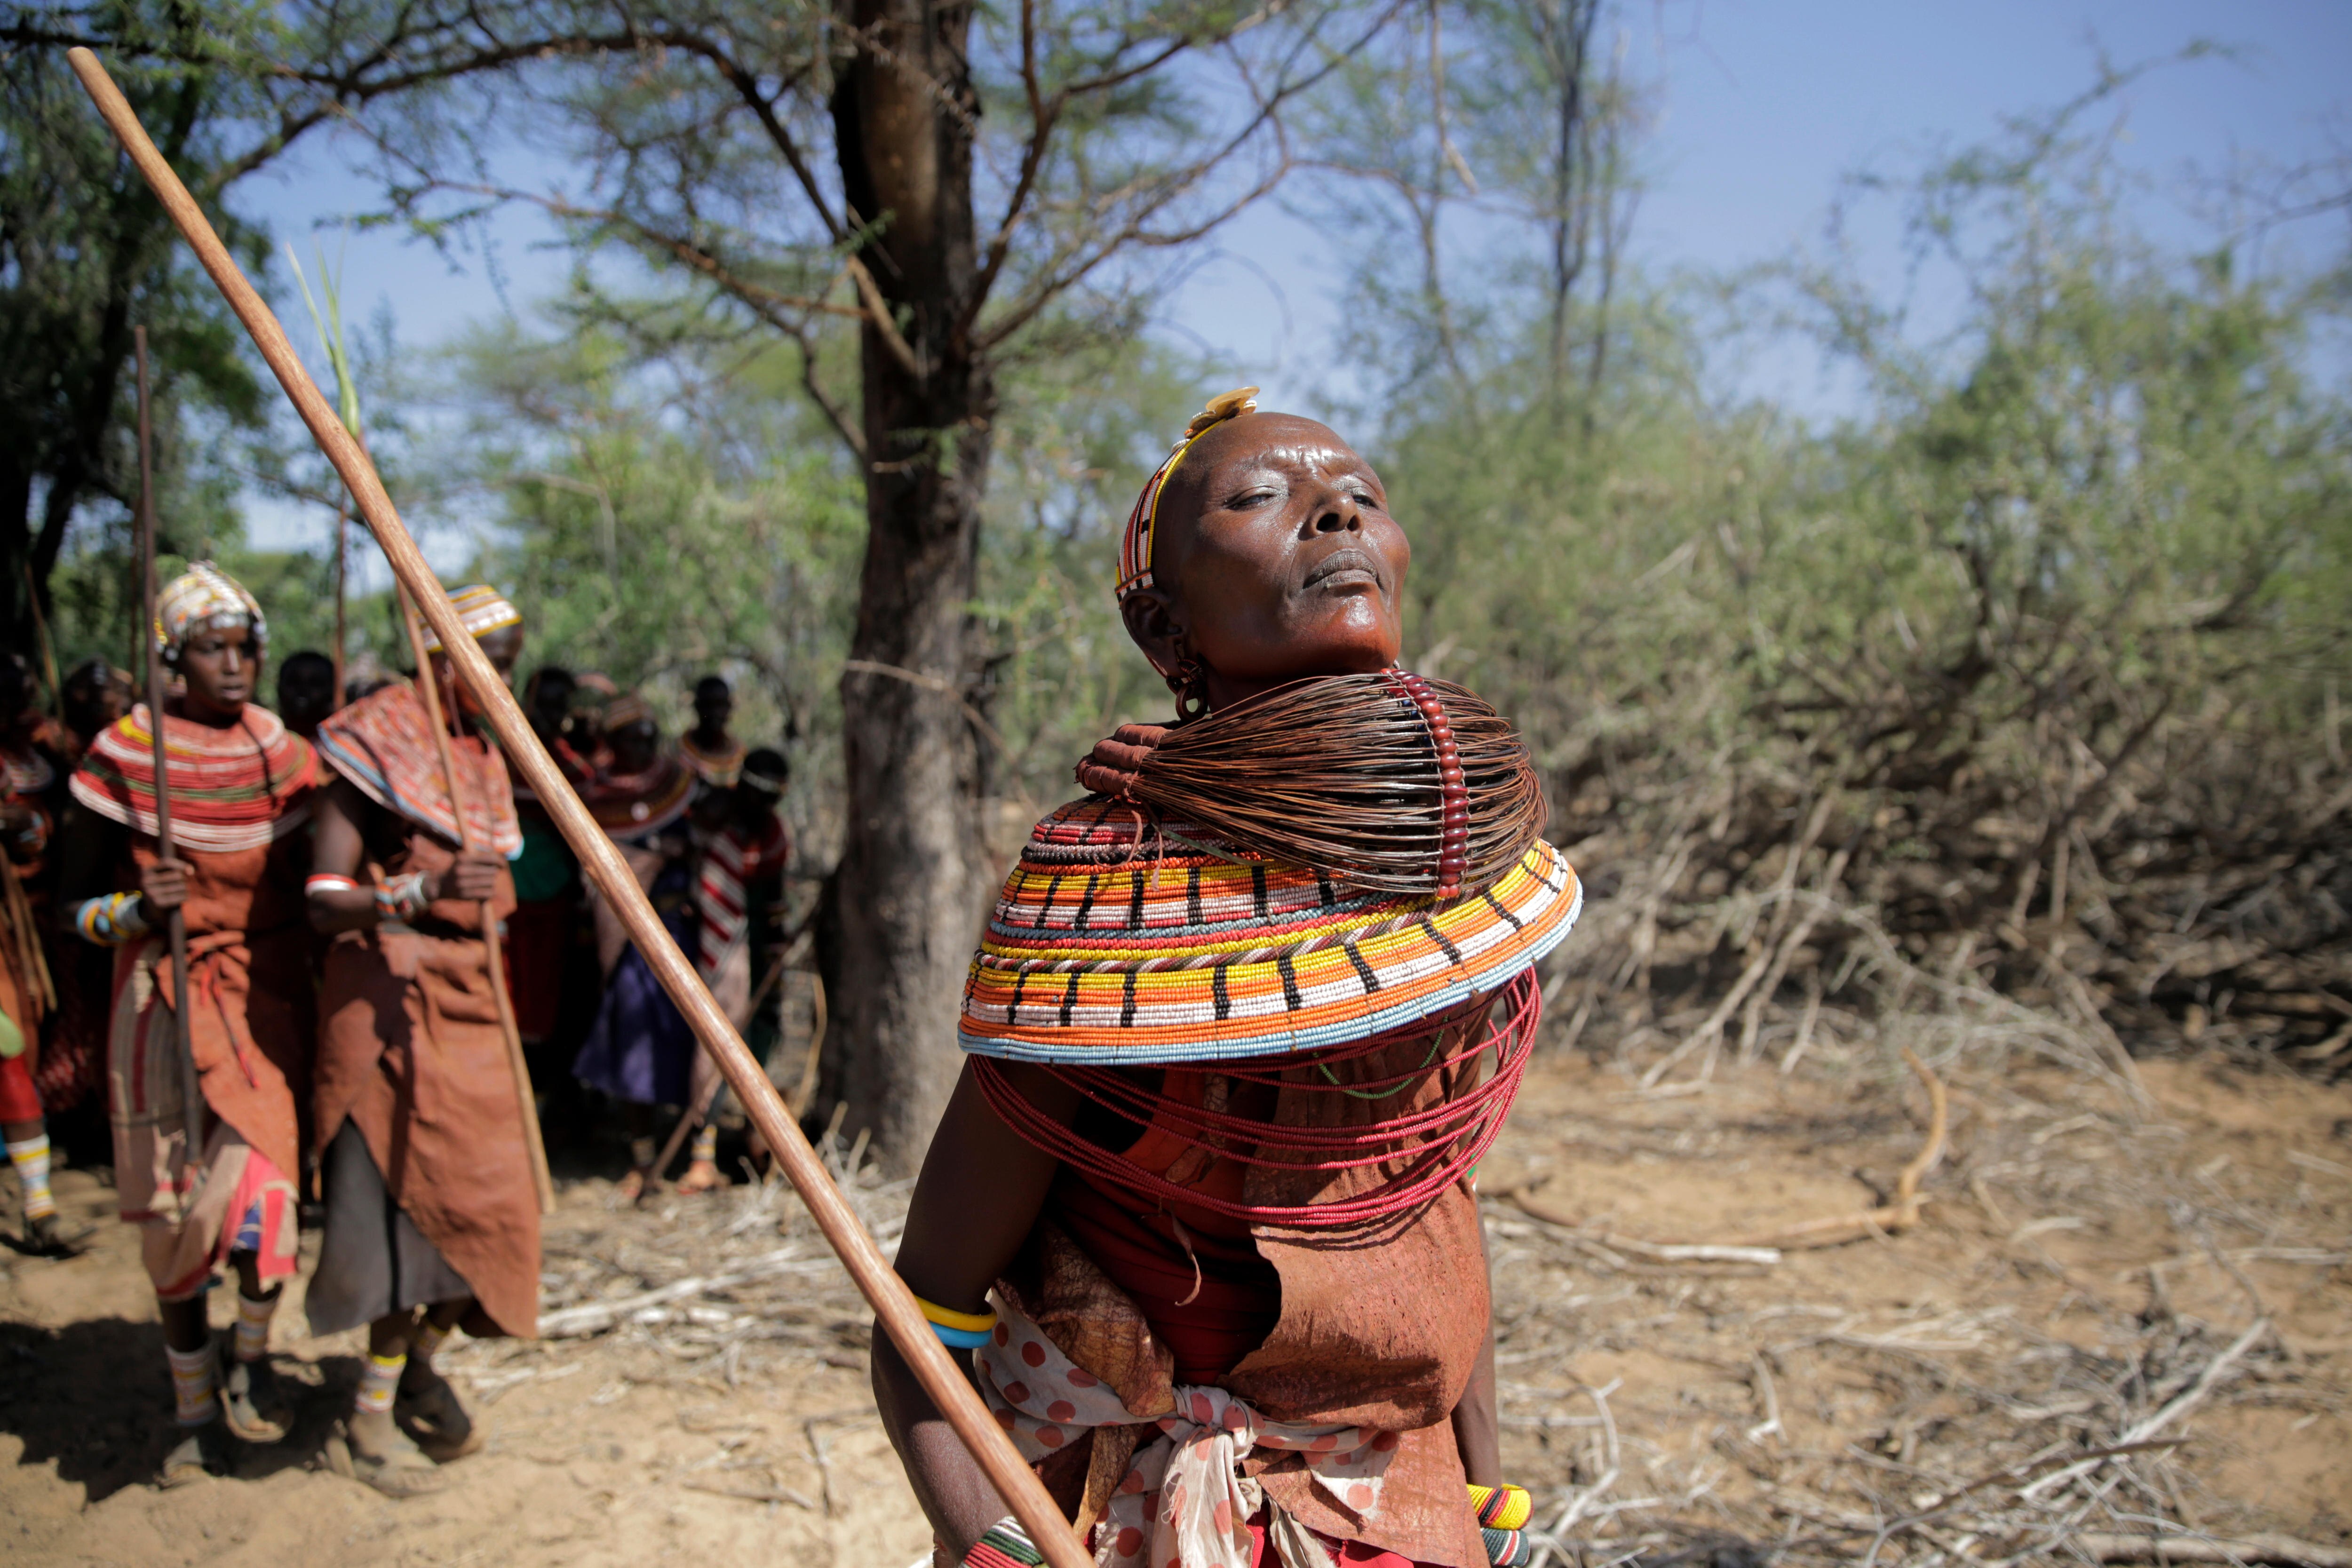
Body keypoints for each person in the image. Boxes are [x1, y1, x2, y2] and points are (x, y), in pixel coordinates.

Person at [873, 392, 1581, 1568]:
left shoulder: (1440, 867)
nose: (1337, 511)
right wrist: (985, 1537)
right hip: (1114, 1517)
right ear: (1162, 631)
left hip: (1388, 1514)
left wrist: (1490, 1491)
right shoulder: (1106, 924)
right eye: (1260, 498)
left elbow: (1430, 1207)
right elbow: (922, 1312)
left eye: (1363, 493)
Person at [57, 565, 318, 1484]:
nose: (237, 664)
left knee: (270, 1200)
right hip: (161, 1006)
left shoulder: (283, 756)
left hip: (261, 1006)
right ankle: (193, 1406)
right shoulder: (125, 755)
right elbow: (68, 906)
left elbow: (307, 888)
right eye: (214, 647)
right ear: (172, 658)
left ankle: (251, 1359)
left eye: (247, 645)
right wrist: (132, 908)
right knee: (173, 1218)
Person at [303, 583, 538, 1497]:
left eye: (511, 665)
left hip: (474, 1008)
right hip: (390, 1006)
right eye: (492, 663)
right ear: (441, 656)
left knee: (501, 1212)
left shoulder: (481, 754)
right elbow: (324, 900)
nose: (502, 682)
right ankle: (368, 1421)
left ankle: (417, 1372)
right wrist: (414, 893)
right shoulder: (374, 740)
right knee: (403, 1222)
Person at [569, 693, 696, 1198]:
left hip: (681, 931)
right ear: (612, 742)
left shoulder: (680, 787)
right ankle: (642, 1155)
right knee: (632, 1036)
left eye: (648, 736)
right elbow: (597, 865)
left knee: (685, 1036)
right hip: (630, 941)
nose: (641, 747)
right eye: (630, 738)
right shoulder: (595, 795)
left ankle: (687, 1151)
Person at [671, 745, 790, 1194]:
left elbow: (775, 894)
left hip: (757, 950)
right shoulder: (714, 818)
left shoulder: (772, 832)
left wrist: (775, 949)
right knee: (715, 1037)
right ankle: (702, 1153)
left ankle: (751, 1144)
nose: (763, 806)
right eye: (757, 794)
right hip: (710, 945)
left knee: (757, 1039)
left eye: (772, 798)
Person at [2, 652, 69, 1255]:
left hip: (30, 930)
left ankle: (37, 1197)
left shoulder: (41, 754)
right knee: (8, 1049)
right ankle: (38, 1203)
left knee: (26, 1042)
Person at [678, 675, 747, 788]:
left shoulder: (741, 758)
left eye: (720, 705)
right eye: (707, 705)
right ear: (697, 707)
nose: (714, 713)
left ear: (729, 707)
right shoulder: (675, 752)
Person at [275, 649, 339, 740]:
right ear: (280, 688)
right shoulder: (265, 742)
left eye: (315, 683)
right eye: (294, 681)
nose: (303, 690)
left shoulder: (345, 749)